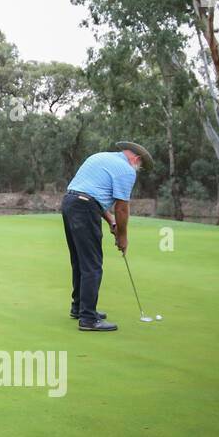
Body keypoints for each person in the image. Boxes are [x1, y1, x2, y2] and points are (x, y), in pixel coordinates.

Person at [61, 141, 152, 331]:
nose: (139, 169)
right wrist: (122, 236)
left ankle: (79, 307)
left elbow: (92, 194)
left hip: (70, 203)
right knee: (93, 265)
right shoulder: (127, 170)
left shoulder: (100, 157)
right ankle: (88, 319)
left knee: (80, 260)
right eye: (141, 165)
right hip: (85, 207)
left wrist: (111, 222)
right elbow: (122, 207)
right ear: (136, 158)